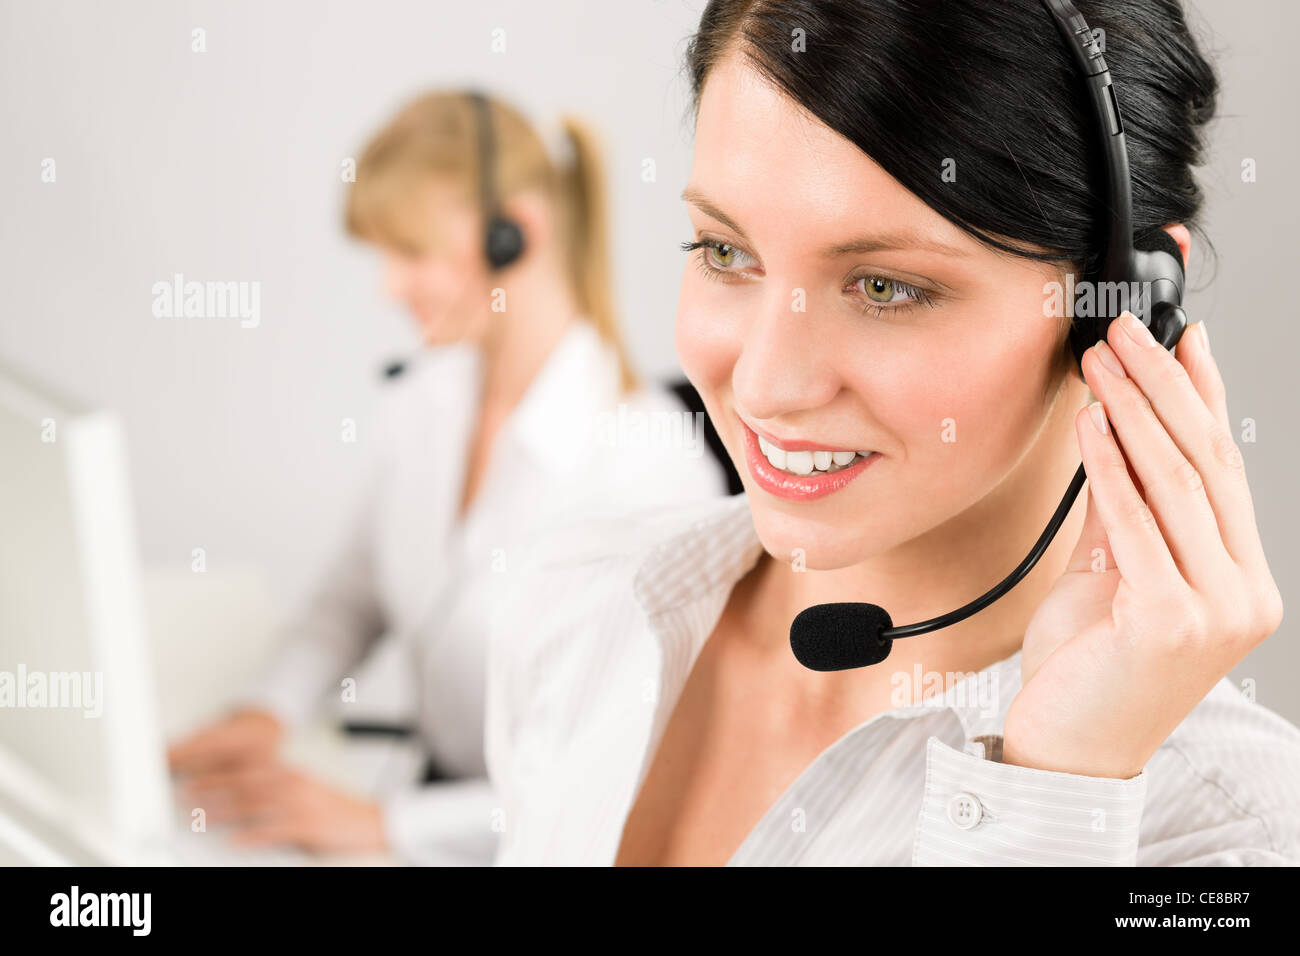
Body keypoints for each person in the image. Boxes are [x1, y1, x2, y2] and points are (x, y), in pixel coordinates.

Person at [484, 0, 1300, 865]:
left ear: (1124, 306)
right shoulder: (576, 606)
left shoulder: (1239, 836)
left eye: (884, 288)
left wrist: (1058, 792)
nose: (764, 382)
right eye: (725, 253)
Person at [166, 89, 731, 865]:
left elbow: (614, 781)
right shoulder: (427, 400)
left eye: (412, 254)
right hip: (427, 822)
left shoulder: (643, 471)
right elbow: (350, 601)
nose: (388, 288)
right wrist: (268, 711)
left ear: (514, 235)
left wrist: (382, 827)